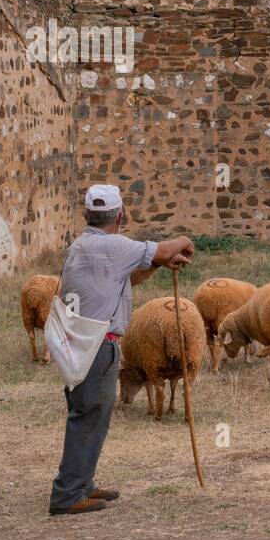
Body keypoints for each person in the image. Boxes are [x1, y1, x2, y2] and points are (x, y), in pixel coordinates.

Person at [48, 184, 195, 516]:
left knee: (92, 417)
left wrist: (157, 264)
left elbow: (128, 280)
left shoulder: (80, 246)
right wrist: (184, 243)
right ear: (120, 214)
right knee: (88, 418)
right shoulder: (115, 246)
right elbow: (171, 247)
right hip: (98, 347)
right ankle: (67, 494)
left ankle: (81, 483)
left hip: (79, 344)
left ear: (87, 214)